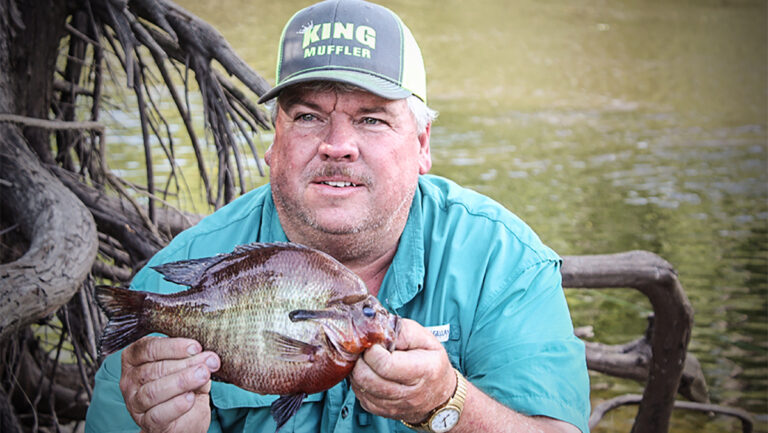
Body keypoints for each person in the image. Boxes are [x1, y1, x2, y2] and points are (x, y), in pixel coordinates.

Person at [85, 0, 590, 432]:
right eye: (308, 116)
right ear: (274, 142)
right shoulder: (170, 284)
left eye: (371, 119)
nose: (337, 146)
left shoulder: (502, 265)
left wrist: (449, 404)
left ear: (422, 144)